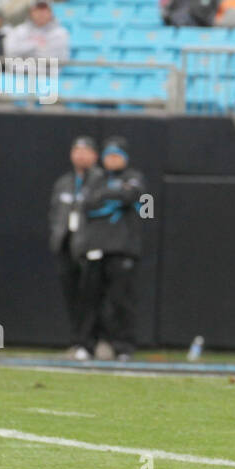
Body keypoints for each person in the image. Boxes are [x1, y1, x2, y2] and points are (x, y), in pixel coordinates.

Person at [74, 136, 147, 363]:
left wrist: (108, 197)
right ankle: (87, 345)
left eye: (117, 156)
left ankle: (123, 347)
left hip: (122, 250)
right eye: (109, 156)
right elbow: (87, 204)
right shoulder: (95, 178)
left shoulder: (134, 178)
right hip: (95, 248)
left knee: (121, 300)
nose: (112, 160)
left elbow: (132, 197)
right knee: (90, 299)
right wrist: (111, 196)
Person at [51, 136, 99, 361]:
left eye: (85, 151)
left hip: (89, 247)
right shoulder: (64, 182)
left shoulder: (100, 180)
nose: (80, 155)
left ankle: (89, 343)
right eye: (76, 150)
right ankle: (76, 340)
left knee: (89, 297)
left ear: (94, 156)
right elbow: (55, 212)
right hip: (65, 244)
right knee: (71, 296)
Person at [5, 0, 70, 61]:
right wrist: (35, 45)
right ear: (30, 13)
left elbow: (59, 59)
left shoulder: (60, 33)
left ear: (51, 13)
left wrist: (25, 50)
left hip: (47, 70)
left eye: (44, 9)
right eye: (37, 9)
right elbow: (10, 53)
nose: (41, 13)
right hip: (20, 70)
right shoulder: (18, 31)